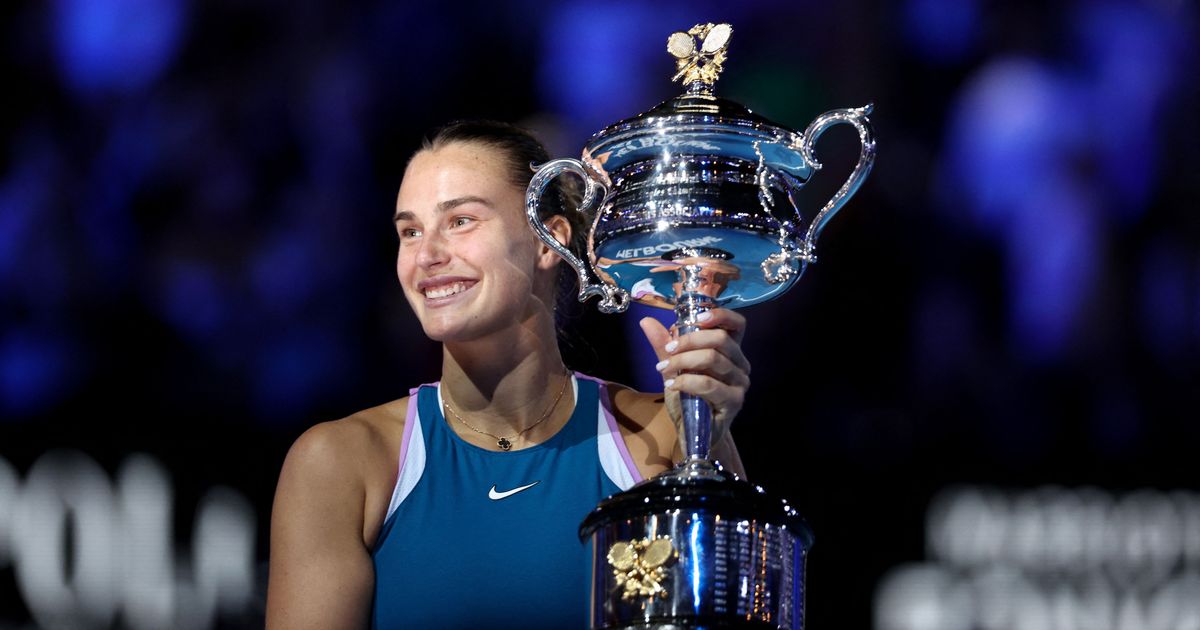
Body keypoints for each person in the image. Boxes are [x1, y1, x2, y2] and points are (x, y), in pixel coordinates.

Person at [265, 120, 752, 629]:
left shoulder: (655, 439)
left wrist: (710, 445)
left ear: (549, 242)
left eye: (460, 221)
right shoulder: (342, 464)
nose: (426, 255)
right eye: (410, 231)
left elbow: (737, 613)